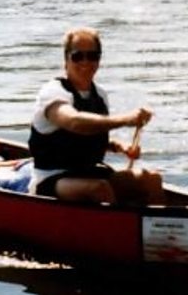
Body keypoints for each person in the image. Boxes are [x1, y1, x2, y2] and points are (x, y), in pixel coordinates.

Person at [28, 27, 163, 205]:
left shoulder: (99, 95)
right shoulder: (53, 92)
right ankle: (119, 229)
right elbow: (74, 122)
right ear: (66, 60)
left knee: (151, 179)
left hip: (90, 173)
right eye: (78, 56)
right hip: (51, 180)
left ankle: (158, 228)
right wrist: (126, 119)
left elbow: (89, 137)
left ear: (99, 60)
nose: (85, 62)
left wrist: (120, 147)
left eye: (92, 56)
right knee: (99, 189)